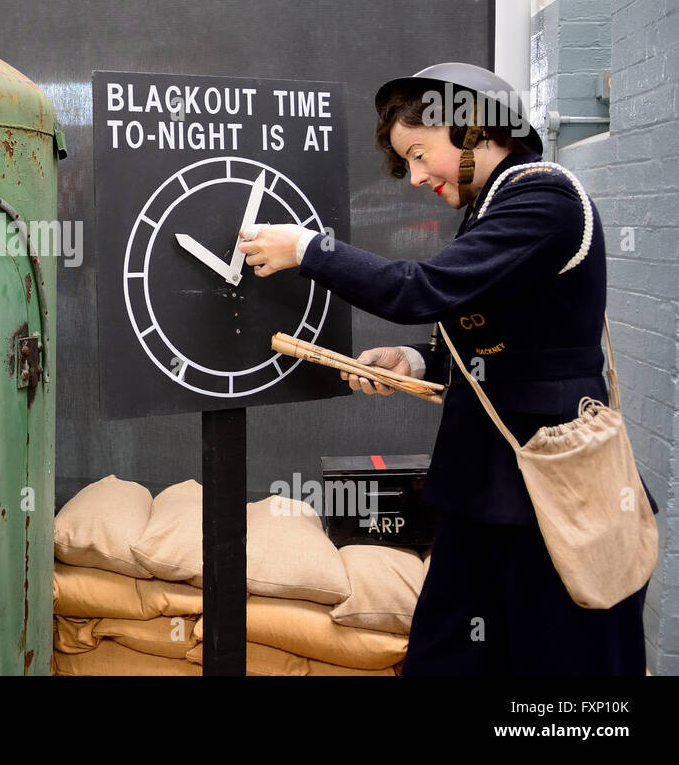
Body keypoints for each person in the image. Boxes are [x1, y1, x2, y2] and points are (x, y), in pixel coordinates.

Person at [237, 63, 656, 675]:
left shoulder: (546, 197)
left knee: (568, 669)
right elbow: (499, 341)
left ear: (470, 127)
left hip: (552, 493)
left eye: (418, 153)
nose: (415, 177)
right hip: (484, 487)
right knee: (446, 656)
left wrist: (308, 249)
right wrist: (413, 359)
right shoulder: (499, 203)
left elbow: (422, 289)